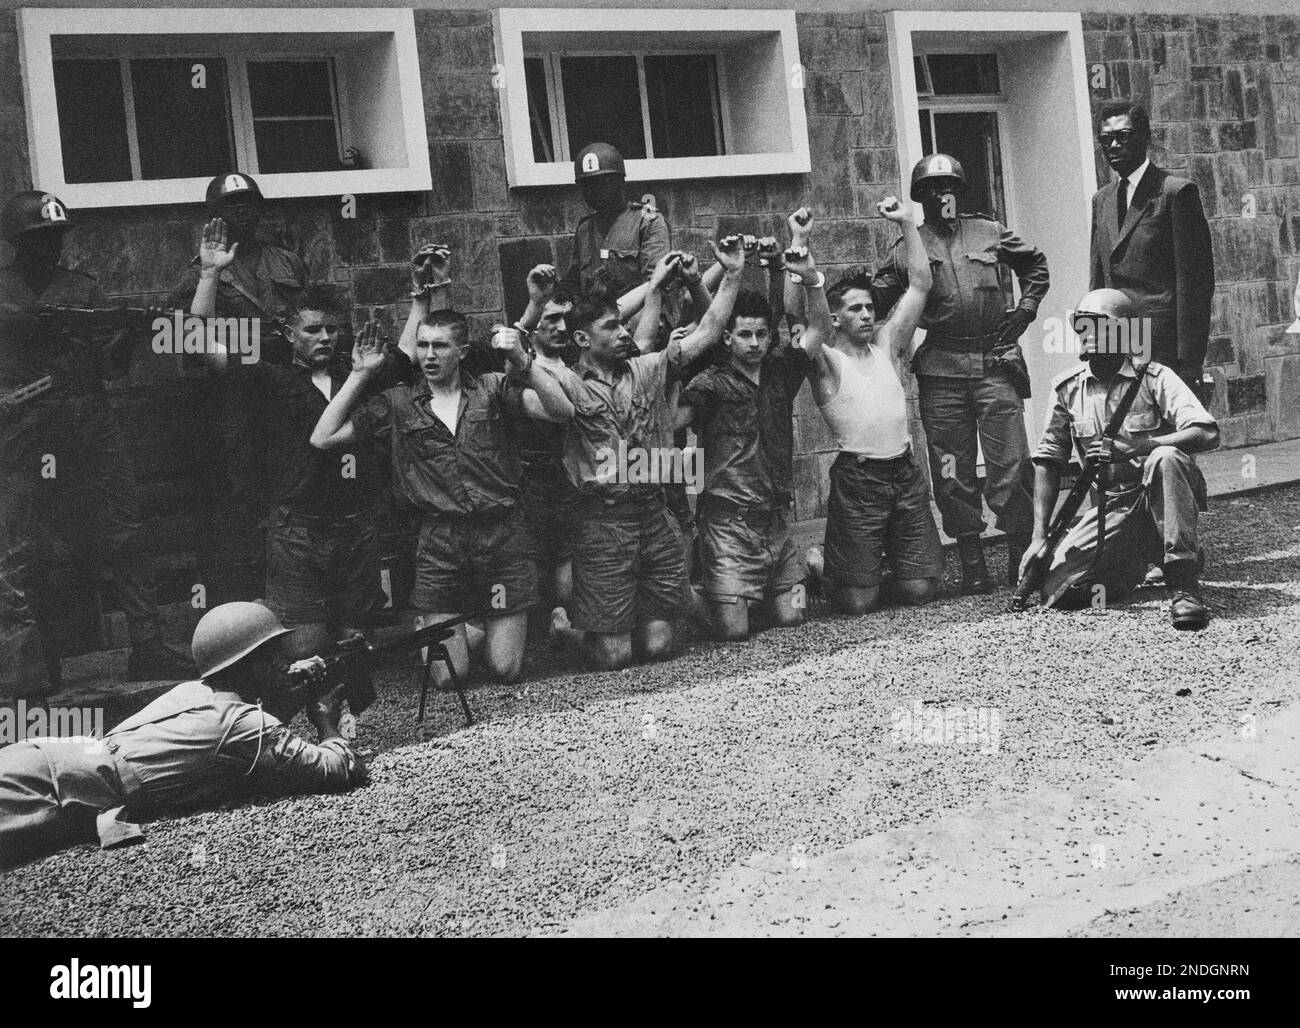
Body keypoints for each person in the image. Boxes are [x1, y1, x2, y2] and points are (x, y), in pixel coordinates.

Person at [190, 218, 422, 717]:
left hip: (356, 527)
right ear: (289, 333)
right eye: (313, 330)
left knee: (357, 639)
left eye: (333, 330)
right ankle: (313, 727)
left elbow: (404, 359)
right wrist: (210, 276)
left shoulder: (353, 371)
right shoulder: (268, 379)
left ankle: (347, 724)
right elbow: (200, 347)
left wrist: (421, 297)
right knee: (304, 647)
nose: (325, 339)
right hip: (297, 530)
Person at [310, 302, 574, 689]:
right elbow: (323, 437)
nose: (429, 355)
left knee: (505, 671)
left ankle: (456, 628)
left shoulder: (493, 389)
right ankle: (435, 624)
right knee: (450, 677)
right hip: (440, 545)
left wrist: (526, 363)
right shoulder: (399, 403)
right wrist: (360, 374)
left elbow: (562, 412)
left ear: (462, 351)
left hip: (501, 539)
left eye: (440, 346)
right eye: (422, 345)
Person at [0, 602, 365, 870]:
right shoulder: (240, 725)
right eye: (273, 656)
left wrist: (287, 686)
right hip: (58, 789)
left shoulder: (192, 692)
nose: (283, 662)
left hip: (44, 759)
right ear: (249, 663)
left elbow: (236, 724)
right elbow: (335, 769)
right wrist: (324, 719)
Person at [0, 189, 192, 698]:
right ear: (18, 241)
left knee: (125, 531)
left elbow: (109, 366)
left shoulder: (82, 290)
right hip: (22, 428)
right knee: (22, 546)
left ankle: (147, 644)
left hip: (88, 422)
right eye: (41, 238)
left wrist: (131, 334)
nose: (53, 247)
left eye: (57, 237)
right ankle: (34, 664)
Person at [547, 237, 748, 669]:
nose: (623, 332)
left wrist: (732, 274)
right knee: (614, 657)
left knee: (658, 646)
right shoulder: (565, 383)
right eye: (611, 327)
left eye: (623, 325)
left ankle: (633, 616)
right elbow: (532, 368)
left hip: (653, 514)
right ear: (582, 338)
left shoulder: (648, 367)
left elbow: (710, 330)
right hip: (602, 522)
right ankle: (568, 630)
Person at [872, 154, 1049, 594]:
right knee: (952, 468)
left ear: (960, 191)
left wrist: (1025, 311)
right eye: (931, 189)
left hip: (995, 364)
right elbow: (874, 298)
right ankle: (971, 559)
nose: (941, 194)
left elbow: (1037, 266)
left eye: (949, 186)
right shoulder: (907, 247)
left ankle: (1019, 554)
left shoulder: (989, 232)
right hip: (942, 371)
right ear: (921, 198)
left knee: (1010, 463)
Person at [1021, 288, 1218, 629]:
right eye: (1083, 326)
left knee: (1166, 457)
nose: (1090, 335)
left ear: (1125, 333)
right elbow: (1048, 461)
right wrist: (1039, 537)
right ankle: (1133, 559)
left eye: (1101, 326)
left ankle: (1183, 582)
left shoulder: (1156, 377)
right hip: (1111, 506)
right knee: (1056, 590)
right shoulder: (1067, 389)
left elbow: (1208, 433)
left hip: (1157, 494)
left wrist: (1139, 447)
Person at [168, 172, 311, 604]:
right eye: (232, 205)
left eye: (249, 203)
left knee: (298, 486)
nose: (242, 212)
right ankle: (241, 603)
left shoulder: (287, 263)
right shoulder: (194, 276)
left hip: (289, 392)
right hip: (234, 400)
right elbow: (182, 343)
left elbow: (311, 323)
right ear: (214, 214)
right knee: (239, 497)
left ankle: (297, 593)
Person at [677, 239, 829, 640]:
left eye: (762, 334)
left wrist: (812, 279)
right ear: (727, 338)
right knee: (733, 632)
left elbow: (819, 329)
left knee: (794, 615)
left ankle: (777, 582)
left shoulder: (781, 372)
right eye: (745, 334)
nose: (756, 343)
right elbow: (675, 419)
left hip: (775, 524)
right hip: (728, 525)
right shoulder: (709, 384)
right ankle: (692, 594)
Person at [809, 197, 943, 614]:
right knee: (857, 604)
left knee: (922, 591)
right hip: (859, 480)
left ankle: (880, 563)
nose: (868, 314)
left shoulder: (888, 346)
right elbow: (810, 327)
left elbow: (921, 284)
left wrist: (907, 223)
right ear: (836, 319)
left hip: (903, 473)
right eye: (856, 309)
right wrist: (811, 278)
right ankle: (823, 565)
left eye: (870, 307)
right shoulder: (828, 364)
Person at [1090, 100, 1214, 390]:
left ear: (1145, 138)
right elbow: (1098, 281)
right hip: (1116, 346)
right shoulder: (1102, 200)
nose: (1114, 146)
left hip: (1163, 346)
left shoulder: (1175, 193)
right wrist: (1095, 345)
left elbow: (1194, 283)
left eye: (1123, 136)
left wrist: (1190, 360)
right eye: (1106, 139)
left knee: (1169, 432)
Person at [561, 142, 672, 303]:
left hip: (639, 320)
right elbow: (574, 283)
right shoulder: (584, 228)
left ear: (620, 181)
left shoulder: (647, 220)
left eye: (602, 183)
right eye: (587, 185)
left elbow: (656, 284)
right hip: (595, 324)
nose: (594, 191)